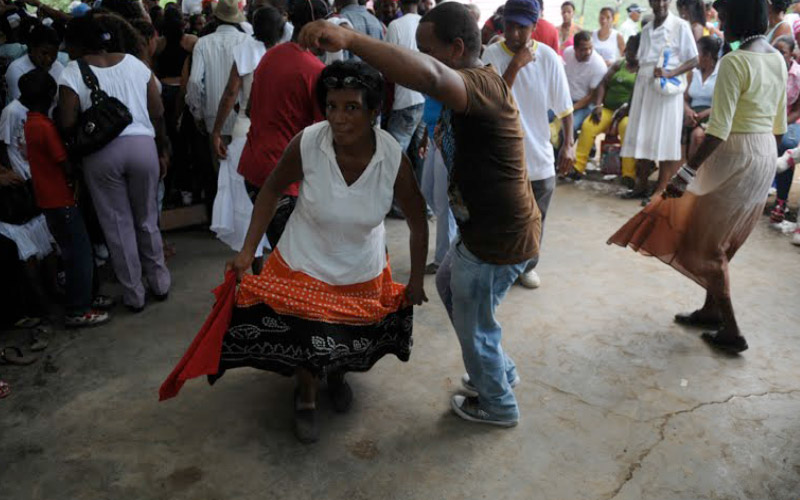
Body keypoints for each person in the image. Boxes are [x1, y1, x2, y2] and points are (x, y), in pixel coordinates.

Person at [299, 1, 543, 427]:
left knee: (474, 321)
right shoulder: (475, 84)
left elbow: (427, 75)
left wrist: (353, 39)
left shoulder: (476, 85)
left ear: (456, 49)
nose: (419, 60)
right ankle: (497, 371)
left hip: (498, 238)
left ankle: (498, 404)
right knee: (452, 286)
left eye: (425, 49)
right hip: (482, 230)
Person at [170, 61, 428, 444]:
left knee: (347, 334)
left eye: (351, 107)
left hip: (361, 264)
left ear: (375, 112)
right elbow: (272, 190)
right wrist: (246, 252)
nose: (338, 118)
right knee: (307, 333)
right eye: (332, 106)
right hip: (304, 257)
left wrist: (417, 279)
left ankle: (338, 373)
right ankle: (306, 395)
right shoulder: (308, 142)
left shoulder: (392, 157)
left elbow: (419, 220)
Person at [609, 0, 786, 354]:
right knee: (718, 235)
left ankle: (731, 329)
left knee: (706, 241)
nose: (719, 22)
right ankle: (710, 310)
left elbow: (718, 128)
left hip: (735, 154)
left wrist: (686, 172)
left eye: (723, 15)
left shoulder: (734, 60)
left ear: (737, 17)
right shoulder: (776, 58)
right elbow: (779, 122)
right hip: (763, 152)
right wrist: (766, 168)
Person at [58, 14, 171, 312]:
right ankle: (160, 282)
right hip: (143, 146)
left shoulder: (72, 71)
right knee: (147, 218)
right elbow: (157, 110)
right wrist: (161, 149)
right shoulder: (136, 64)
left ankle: (134, 295)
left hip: (101, 155)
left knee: (117, 225)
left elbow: (67, 121)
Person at [482, 0, 574, 290]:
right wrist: (516, 65)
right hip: (502, 157)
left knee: (536, 218)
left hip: (539, 156)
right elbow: (493, 101)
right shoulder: (492, 55)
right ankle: (504, 265)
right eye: (510, 25)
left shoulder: (548, 58)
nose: (515, 33)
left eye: (523, 27)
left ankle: (526, 266)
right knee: (504, 216)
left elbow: (565, 107)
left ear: (535, 27)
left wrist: (569, 144)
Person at [20, 69, 110, 327]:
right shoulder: (45, 127)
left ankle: (86, 299)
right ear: (51, 95)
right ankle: (79, 308)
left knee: (74, 252)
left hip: (49, 200)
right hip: (61, 198)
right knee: (79, 253)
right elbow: (64, 163)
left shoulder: (30, 123)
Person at [237, 0, 328, 249]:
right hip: (283, 178)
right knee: (293, 258)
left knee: (283, 253)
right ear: (319, 27)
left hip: (255, 169)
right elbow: (324, 134)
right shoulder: (316, 70)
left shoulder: (270, 56)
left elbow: (250, 108)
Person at [210, 6, 283, 258]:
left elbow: (231, 93)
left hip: (245, 132)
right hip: (279, 133)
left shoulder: (244, 51)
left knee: (247, 201)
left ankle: (255, 261)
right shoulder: (285, 53)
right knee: (280, 199)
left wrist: (217, 131)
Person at [620, 0, 698, 200]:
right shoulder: (646, 29)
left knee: (665, 137)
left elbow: (693, 59)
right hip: (644, 87)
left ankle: (660, 189)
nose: (661, 3)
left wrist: (671, 72)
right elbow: (642, 59)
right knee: (642, 135)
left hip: (666, 89)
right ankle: (641, 184)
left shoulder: (680, 26)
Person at [186, 0, 250, 162]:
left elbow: (194, 81)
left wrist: (197, 112)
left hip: (213, 119)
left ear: (215, 18)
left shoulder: (202, 43)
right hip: (242, 119)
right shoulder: (248, 41)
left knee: (221, 176)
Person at [574, 34, 640, 184]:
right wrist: (598, 105)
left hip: (628, 113)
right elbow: (603, 83)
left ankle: (628, 174)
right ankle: (577, 167)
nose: (629, 53)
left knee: (627, 128)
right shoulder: (619, 64)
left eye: (633, 51)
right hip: (608, 109)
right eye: (628, 50)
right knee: (588, 125)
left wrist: (627, 110)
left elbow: (640, 95)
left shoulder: (642, 70)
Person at [385, 0, 425, 161]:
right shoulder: (427, 23)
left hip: (405, 100)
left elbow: (386, 64)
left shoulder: (396, 25)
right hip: (425, 98)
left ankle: (396, 186)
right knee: (420, 154)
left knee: (394, 156)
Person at [769, 34, 800, 224]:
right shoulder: (766, 70)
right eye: (775, 51)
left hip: (791, 121)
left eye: (783, 52)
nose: (779, 55)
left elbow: (797, 110)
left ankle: (781, 201)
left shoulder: (797, 75)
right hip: (765, 119)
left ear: (791, 55)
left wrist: (779, 125)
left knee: (786, 143)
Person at [562, 31, 608, 134]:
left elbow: (591, 96)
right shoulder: (567, 53)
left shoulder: (599, 65)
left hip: (584, 105)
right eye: (583, 49)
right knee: (546, 117)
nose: (588, 52)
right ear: (575, 49)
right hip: (565, 99)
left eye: (590, 48)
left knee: (568, 127)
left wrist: (570, 110)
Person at [683, 36, 721, 159]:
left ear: (707, 55)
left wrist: (703, 114)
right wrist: (688, 111)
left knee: (697, 136)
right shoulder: (693, 73)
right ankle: (675, 170)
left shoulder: (721, 73)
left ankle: (691, 174)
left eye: (697, 52)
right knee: (676, 131)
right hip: (691, 115)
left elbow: (723, 103)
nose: (694, 55)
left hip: (712, 115)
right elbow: (684, 98)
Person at [5, 24, 64, 103]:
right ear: (32, 47)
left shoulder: (59, 68)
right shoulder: (16, 69)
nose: (49, 59)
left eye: (54, 54)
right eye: (44, 53)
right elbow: (22, 106)